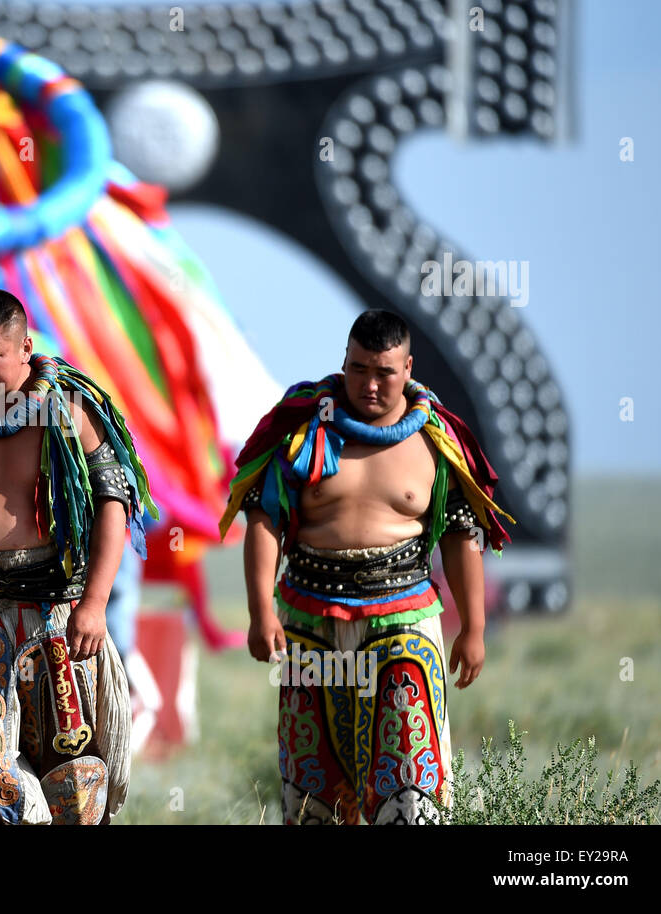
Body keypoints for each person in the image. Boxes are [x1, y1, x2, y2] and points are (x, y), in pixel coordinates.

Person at [219, 309, 515, 825]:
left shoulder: (437, 441)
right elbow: (265, 518)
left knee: (410, 789)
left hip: (404, 623)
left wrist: (474, 627)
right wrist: (259, 611)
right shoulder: (303, 427)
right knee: (313, 794)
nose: (370, 385)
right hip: (310, 621)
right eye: (358, 369)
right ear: (344, 361)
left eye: (384, 372)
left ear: (408, 368)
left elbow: (460, 534)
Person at [0, 288, 157, 825]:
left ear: (24, 349)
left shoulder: (70, 408)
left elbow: (113, 504)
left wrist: (95, 603)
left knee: (74, 783)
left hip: (56, 615)